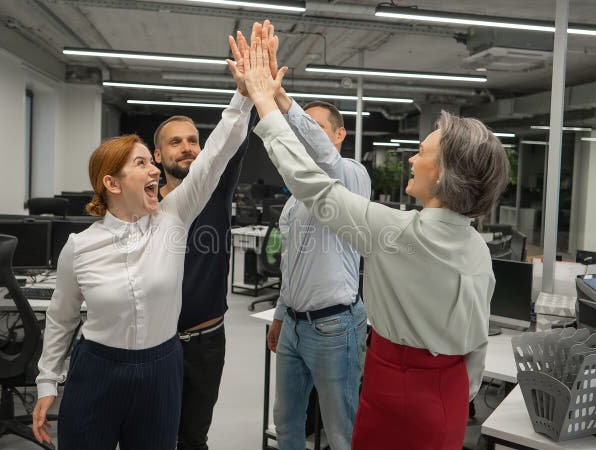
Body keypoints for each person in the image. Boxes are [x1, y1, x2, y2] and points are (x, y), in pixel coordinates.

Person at [241, 28, 509, 450]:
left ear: (442, 175)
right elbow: (476, 348)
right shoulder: (476, 247)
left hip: (392, 384)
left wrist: (264, 101)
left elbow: (311, 184)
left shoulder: (394, 231)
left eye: (421, 153)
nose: (411, 159)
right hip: (446, 394)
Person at [31, 85, 254, 448]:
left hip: (161, 368)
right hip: (97, 368)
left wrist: (243, 95)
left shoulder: (174, 218)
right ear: (112, 183)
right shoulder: (80, 247)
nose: (155, 171)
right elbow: (62, 317)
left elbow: (215, 156)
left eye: (152, 162)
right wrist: (47, 381)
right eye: (142, 164)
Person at [229, 25, 370, 450]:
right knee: (286, 425)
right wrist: (279, 314)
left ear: (340, 135)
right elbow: (293, 264)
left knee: (341, 431)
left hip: (335, 326)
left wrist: (280, 100)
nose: (305, 134)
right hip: (293, 323)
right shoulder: (296, 198)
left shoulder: (351, 176)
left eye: (316, 127)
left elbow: (322, 156)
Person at [153, 112, 253, 449]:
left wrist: (249, 94)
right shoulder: (146, 203)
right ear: (157, 155)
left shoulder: (217, 188)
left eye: (193, 140)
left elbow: (235, 138)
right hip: (155, 342)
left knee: (193, 439)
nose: (187, 147)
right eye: (175, 142)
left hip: (204, 343)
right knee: (151, 435)